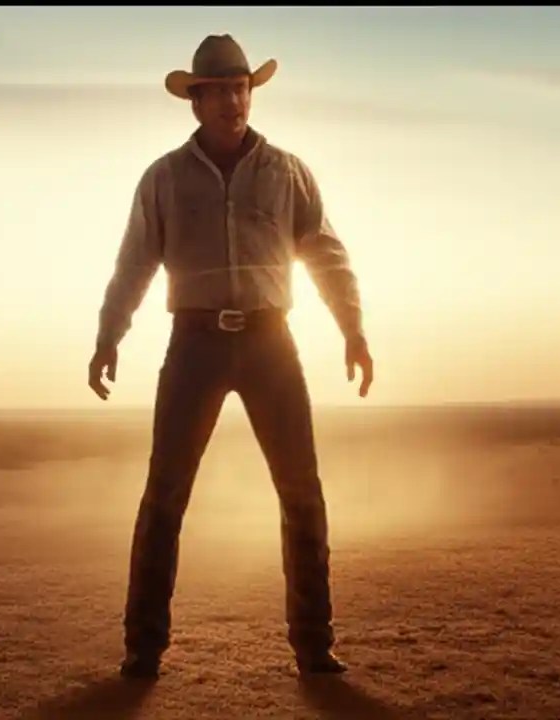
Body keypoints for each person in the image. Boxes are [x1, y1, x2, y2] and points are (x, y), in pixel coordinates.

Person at [87, 34, 374, 680]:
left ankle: (314, 643)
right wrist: (110, 335)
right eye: (220, 91)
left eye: (243, 88)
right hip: (195, 342)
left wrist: (352, 329)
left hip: (272, 341)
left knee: (302, 491)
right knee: (166, 493)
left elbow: (326, 254)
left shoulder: (287, 172)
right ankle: (143, 647)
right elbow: (134, 264)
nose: (235, 101)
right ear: (197, 102)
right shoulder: (163, 179)